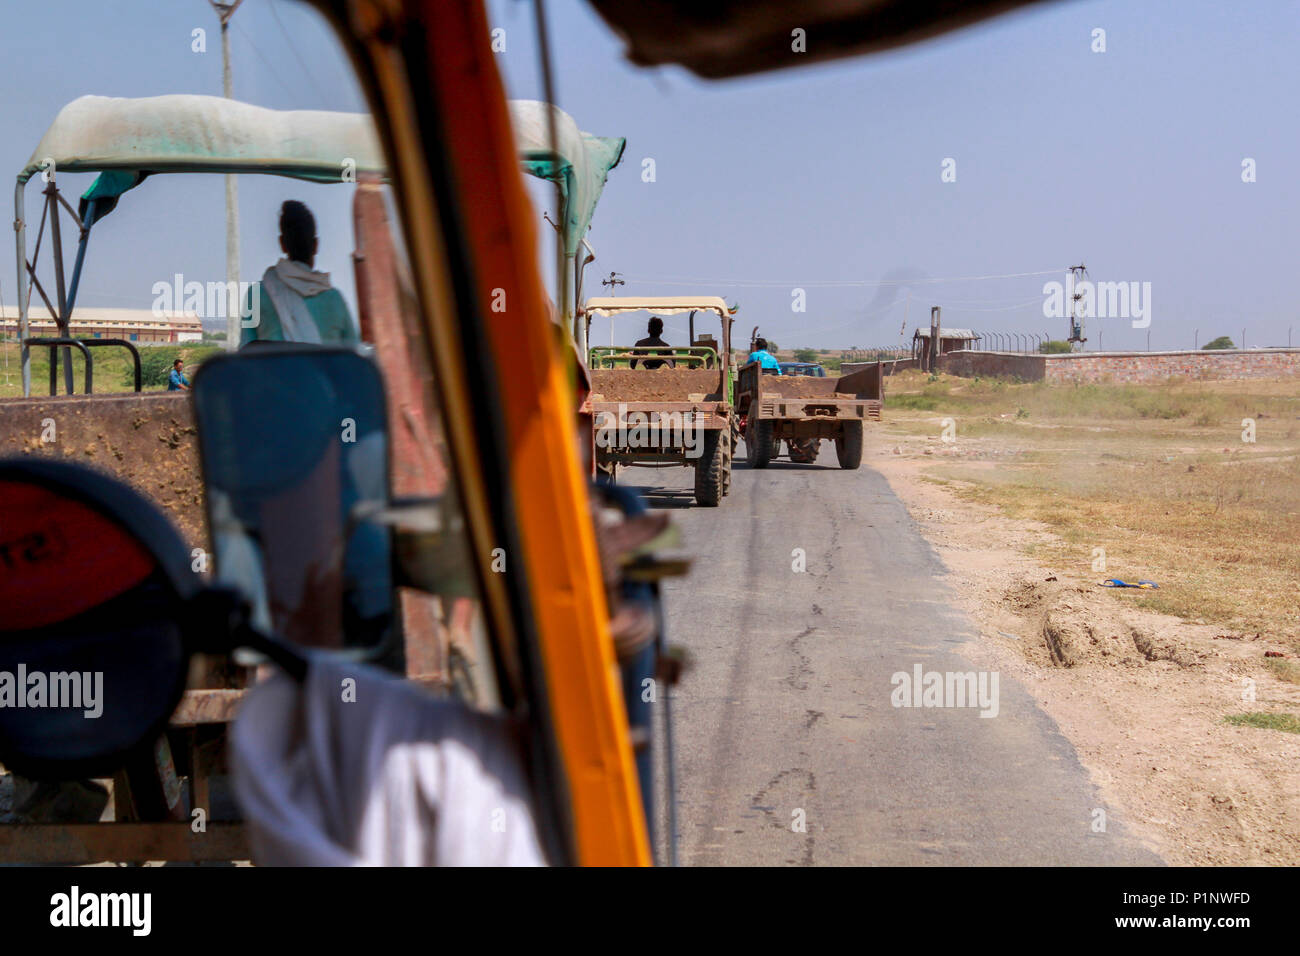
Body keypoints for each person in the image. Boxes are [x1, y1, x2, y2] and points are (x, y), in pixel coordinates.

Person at [240, 200, 360, 346]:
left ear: (282, 244)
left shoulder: (257, 294)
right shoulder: (335, 299)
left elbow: (245, 353)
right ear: (316, 245)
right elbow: (353, 355)